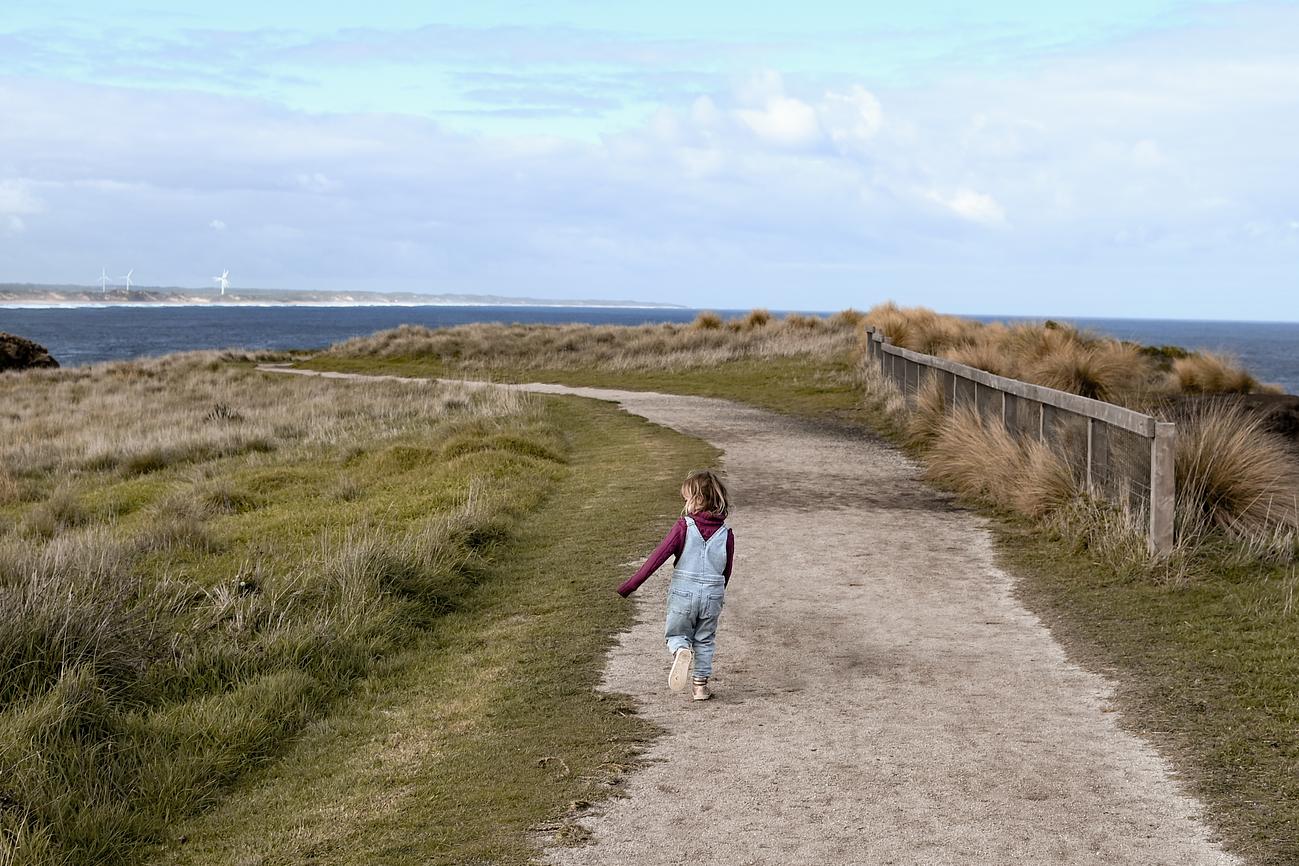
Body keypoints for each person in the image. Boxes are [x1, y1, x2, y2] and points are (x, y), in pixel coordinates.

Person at [617, 469, 734, 701]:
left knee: (677, 634)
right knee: (705, 640)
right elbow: (726, 570)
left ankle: (681, 649)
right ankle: (700, 687)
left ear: (697, 500)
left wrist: (630, 585)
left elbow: (656, 559)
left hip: (683, 593)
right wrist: (718, 594)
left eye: (686, 498)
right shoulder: (726, 534)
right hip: (712, 594)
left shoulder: (684, 526)